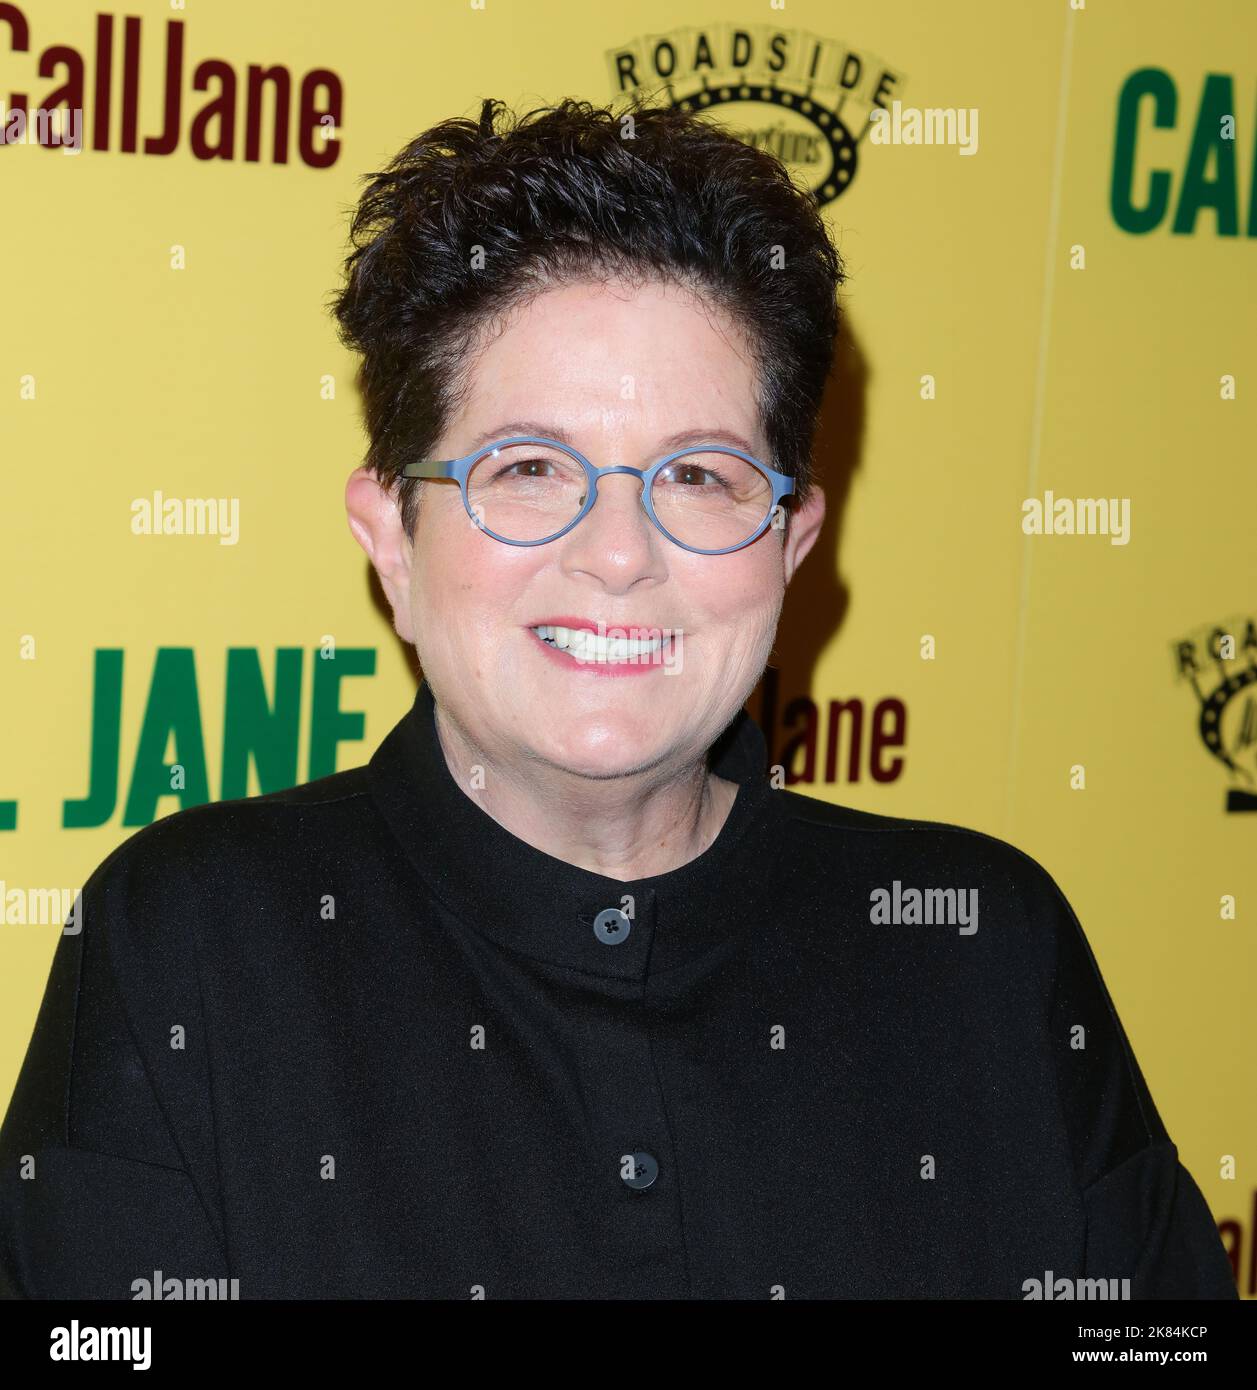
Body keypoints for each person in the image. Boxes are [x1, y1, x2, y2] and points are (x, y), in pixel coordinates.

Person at [0, 94, 1237, 1299]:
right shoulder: (188, 949)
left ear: (790, 546)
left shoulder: (983, 942)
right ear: (392, 536)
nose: (618, 552)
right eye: (529, 468)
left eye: (697, 475)